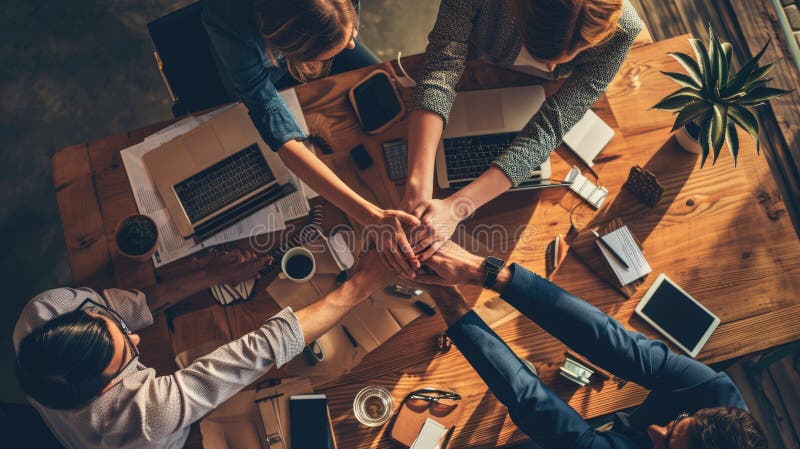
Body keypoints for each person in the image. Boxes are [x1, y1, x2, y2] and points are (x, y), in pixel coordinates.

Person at [13, 249, 395, 449]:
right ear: (106, 390)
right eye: (127, 353)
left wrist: (215, 273)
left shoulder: (44, 310)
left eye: (107, 322)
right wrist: (361, 284)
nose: (137, 338)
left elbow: (130, 305)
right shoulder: (145, 416)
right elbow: (256, 352)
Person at [411, 241, 767, 449]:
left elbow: (535, 405)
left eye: (666, 445)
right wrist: (485, 272)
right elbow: (609, 341)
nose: (654, 430)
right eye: (676, 422)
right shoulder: (714, 391)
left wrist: (450, 301)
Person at [403, 0, 644, 259]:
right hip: (477, 62)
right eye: (543, 57)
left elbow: (551, 126)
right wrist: (417, 188)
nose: (553, 69)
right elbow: (441, 69)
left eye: (583, 48)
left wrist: (457, 208)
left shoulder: (624, 28)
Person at [202, 0, 420, 276]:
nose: (353, 45)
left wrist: (346, 30)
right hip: (254, 67)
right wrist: (371, 217)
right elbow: (275, 125)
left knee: (385, 82)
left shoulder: (341, 31)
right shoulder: (227, 22)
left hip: (327, 35)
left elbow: (345, 33)